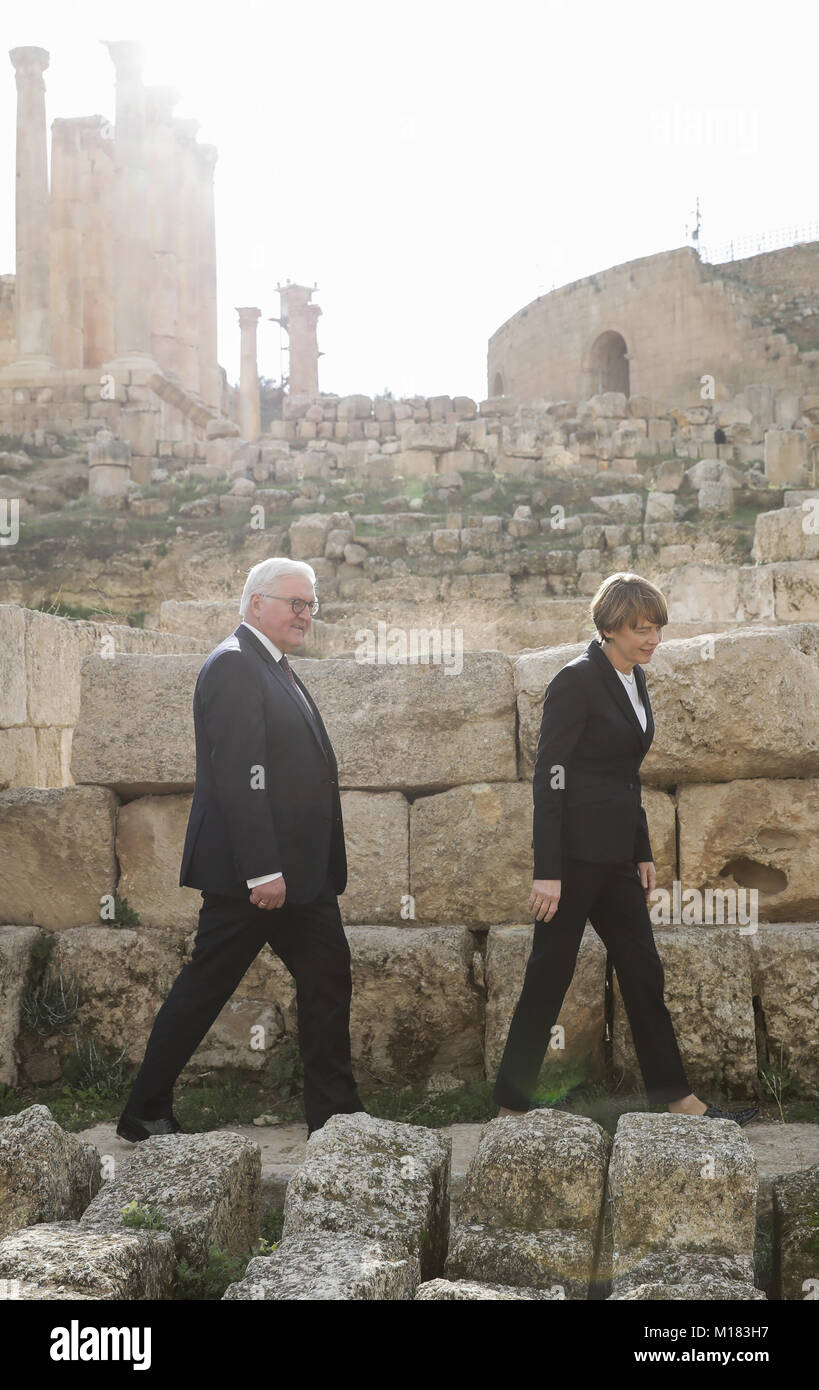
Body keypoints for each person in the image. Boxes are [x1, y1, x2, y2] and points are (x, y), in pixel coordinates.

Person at [492, 572, 758, 1126]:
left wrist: (642, 850)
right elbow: (551, 776)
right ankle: (511, 1108)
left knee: (644, 973)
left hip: (617, 863)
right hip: (569, 865)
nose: (653, 639)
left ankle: (680, 1099)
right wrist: (547, 870)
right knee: (549, 977)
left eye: (657, 628)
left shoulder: (634, 680)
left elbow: (625, 775)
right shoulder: (576, 680)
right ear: (611, 626)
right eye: (642, 629)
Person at [117, 557, 365, 1142]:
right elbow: (240, 775)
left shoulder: (272, 666)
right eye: (294, 603)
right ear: (257, 603)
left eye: (312, 604)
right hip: (254, 877)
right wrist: (262, 870)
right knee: (207, 985)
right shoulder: (233, 666)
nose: (306, 614)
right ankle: (144, 1112)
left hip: (299, 876)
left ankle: (335, 1117)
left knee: (327, 975)